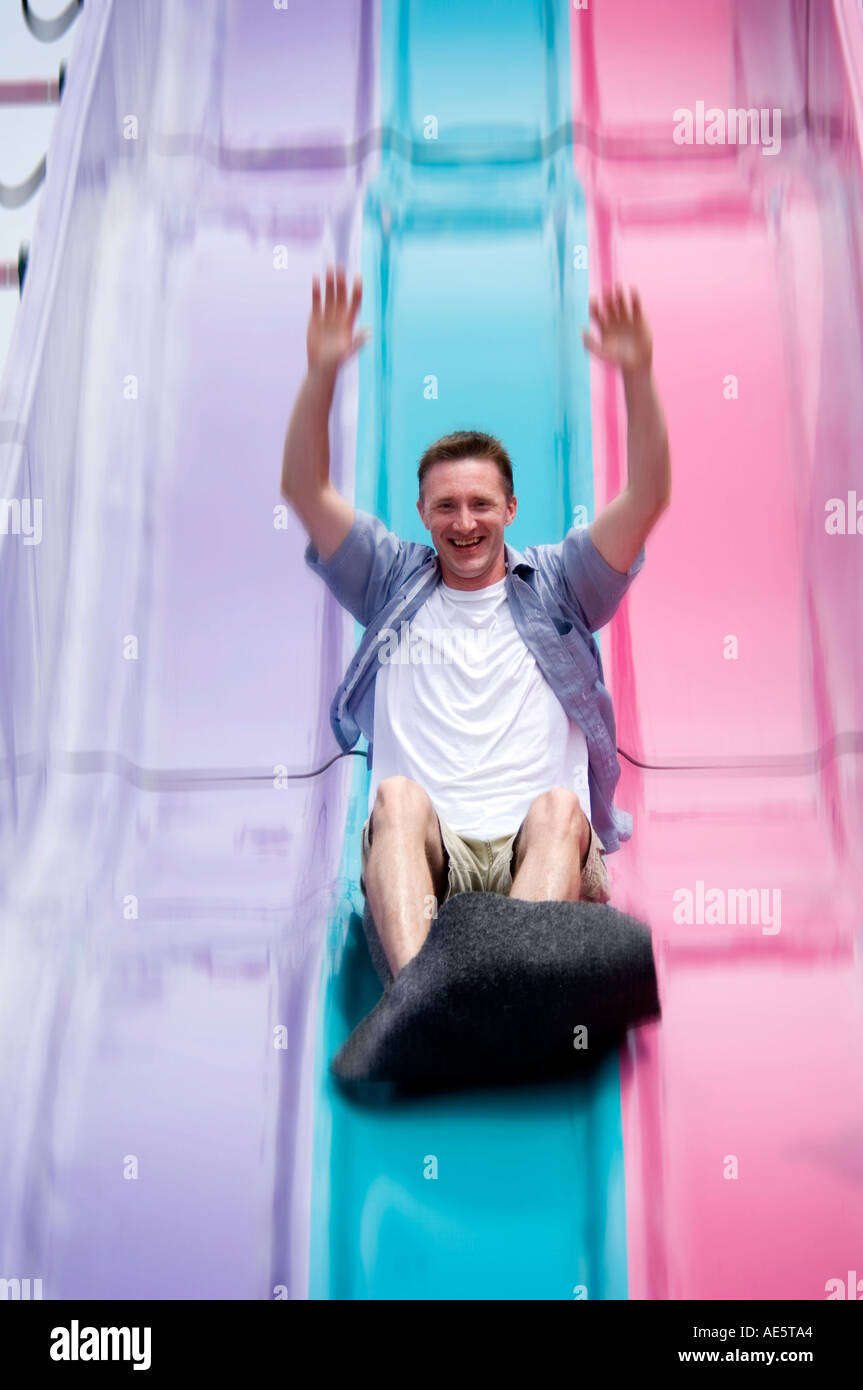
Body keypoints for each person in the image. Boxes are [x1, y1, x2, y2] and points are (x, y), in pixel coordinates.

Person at [281, 264, 670, 983]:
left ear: (511, 509)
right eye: (445, 506)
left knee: (559, 807)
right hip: (431, 860)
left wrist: (638, 378)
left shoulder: (561, 583)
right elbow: (305, 491)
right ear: (422, 514)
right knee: (394, 800)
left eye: (481, 504)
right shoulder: (388, 578)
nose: (464, 522)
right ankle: (422, 1003)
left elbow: (645, 498)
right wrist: (322, 373)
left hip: (536, 854)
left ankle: (495, 988)